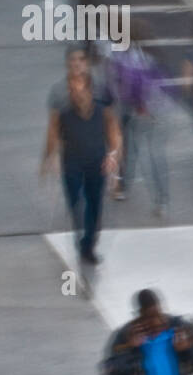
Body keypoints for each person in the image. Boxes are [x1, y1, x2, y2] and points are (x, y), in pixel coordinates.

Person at [41, 69, 121, 265]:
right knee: (76, 205)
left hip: (96, 164)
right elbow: (53, 136)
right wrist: (48, 159)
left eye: (78, 89)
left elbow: (114, 135)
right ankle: (81, 239)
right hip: (72, 166)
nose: (74, 94)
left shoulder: (103, 112)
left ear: (89, 91)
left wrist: (112, 156)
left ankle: (88, 245)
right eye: (71, 89)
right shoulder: (63, 112)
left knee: (95, 207)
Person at [109, 44, 170, 215]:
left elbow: (117, 86)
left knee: (130, 150)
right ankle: (162, 201)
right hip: (154, 112)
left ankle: (123, 187)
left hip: (134, 111)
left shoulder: (121, 58)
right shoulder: (151, 58)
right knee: (154, 156)